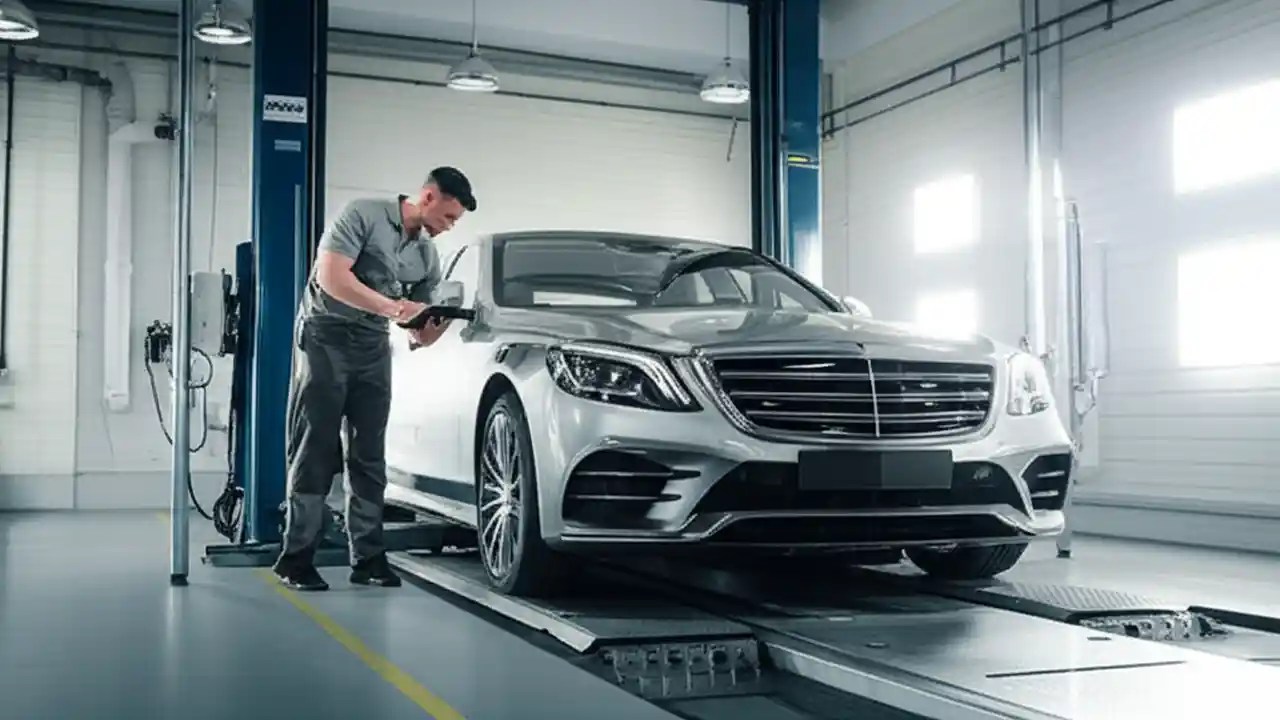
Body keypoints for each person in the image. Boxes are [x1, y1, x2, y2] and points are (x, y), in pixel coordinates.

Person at [271, 167, 477, 591]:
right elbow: (332, 278)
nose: (448, 227)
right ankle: (295, 558)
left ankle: (367, 558)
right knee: (316, 445)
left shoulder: (426, 255)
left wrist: (441, 322)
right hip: (324, 334)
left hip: (371, 346)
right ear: (427, 197)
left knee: (369, 452)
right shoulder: (362, 214)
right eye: (449, 217)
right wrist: (392, 307)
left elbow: (416, 330)